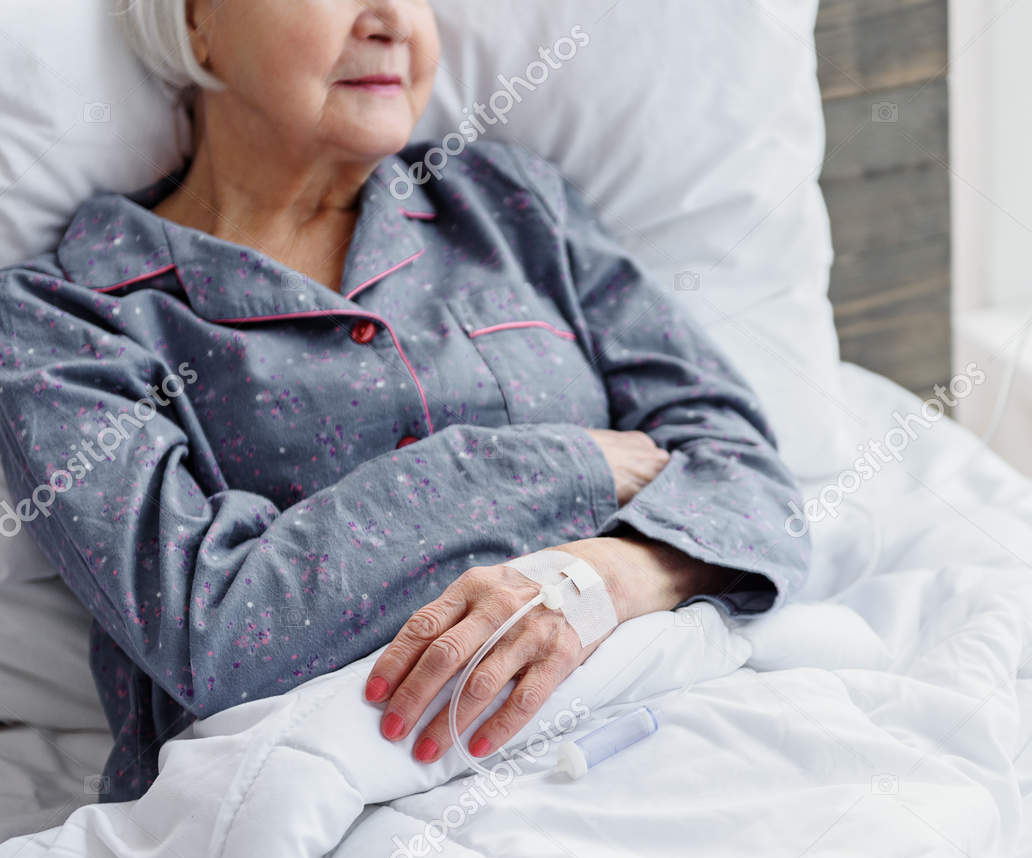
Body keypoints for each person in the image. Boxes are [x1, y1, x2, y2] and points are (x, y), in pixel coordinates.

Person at [0, 0, 807, 799]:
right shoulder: (67, 317)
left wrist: (606, 576)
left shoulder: (509, 204)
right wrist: (550, 467)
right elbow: (213, 635)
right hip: (354, 796)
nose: (390, 17)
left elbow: (748, 477)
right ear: (198, 20)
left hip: (675, 721)